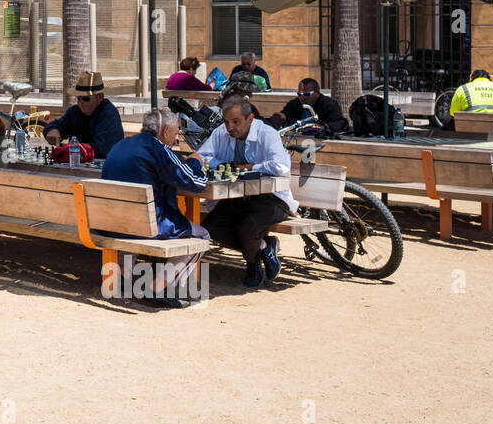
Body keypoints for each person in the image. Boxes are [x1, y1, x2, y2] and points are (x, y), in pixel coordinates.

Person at [102, 108, 209, 307]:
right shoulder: (159, 149)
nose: (176, 139)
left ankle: (125, 280)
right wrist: (195, 161)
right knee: (202, 236)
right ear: (165, 130)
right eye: (175, 133)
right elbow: (195, 182)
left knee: (132, 222)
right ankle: (157, 288)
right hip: (147, 226)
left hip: (114, 223)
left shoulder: (120, 145)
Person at [197, 95, 296, 289]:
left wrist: (250, 167)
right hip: (237, 196)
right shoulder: (221, 133)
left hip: (273, 198)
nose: (230, 127)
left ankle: (252, 265)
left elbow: (282, 166)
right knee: (211, 227)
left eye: (236, 122)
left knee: (248, 228)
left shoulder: (267, 134)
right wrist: (226, 165)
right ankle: (264, 247)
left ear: (250, 119)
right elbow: (203, 156)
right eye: (226, 122)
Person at [44, 70, 124, 159]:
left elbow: (102, 149)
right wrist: (53, 129)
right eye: (79, 98)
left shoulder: (109, 115)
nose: (81, 103)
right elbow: (57, 125)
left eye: (86, 99)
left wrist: (70, 149)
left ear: (100, 97)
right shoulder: (75, 112)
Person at [271, 78, 349, 135]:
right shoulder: (294, 104)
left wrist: (322, 127)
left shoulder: (329, 104)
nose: (302, 98)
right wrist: (279, 117)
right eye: (299, 94)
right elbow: (284, 116)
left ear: (317, 93)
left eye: (306, 94)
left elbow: (341, 123)